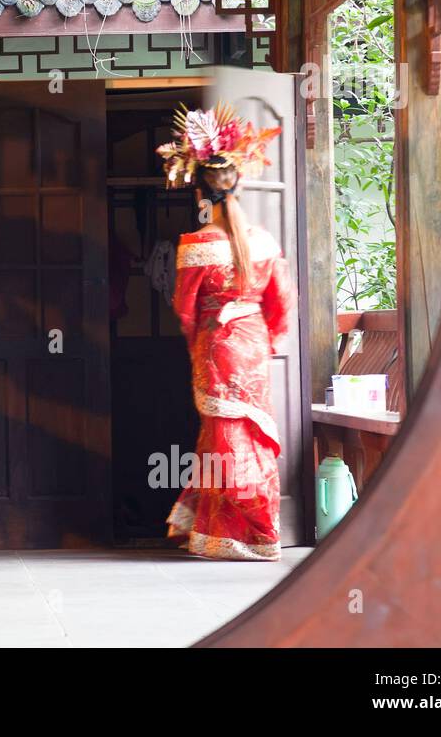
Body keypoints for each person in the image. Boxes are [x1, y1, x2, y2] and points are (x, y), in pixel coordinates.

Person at [156, 105, 296, 561]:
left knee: (222, 436)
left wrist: (206, 339)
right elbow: (282, 305)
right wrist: (264, 339)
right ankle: (232, 531)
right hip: (252, 344)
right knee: (245, 435)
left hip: (218, 345)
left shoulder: (197, 244)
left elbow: (185, 308)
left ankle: (248, 532)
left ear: (199, 190)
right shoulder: (264, 242)